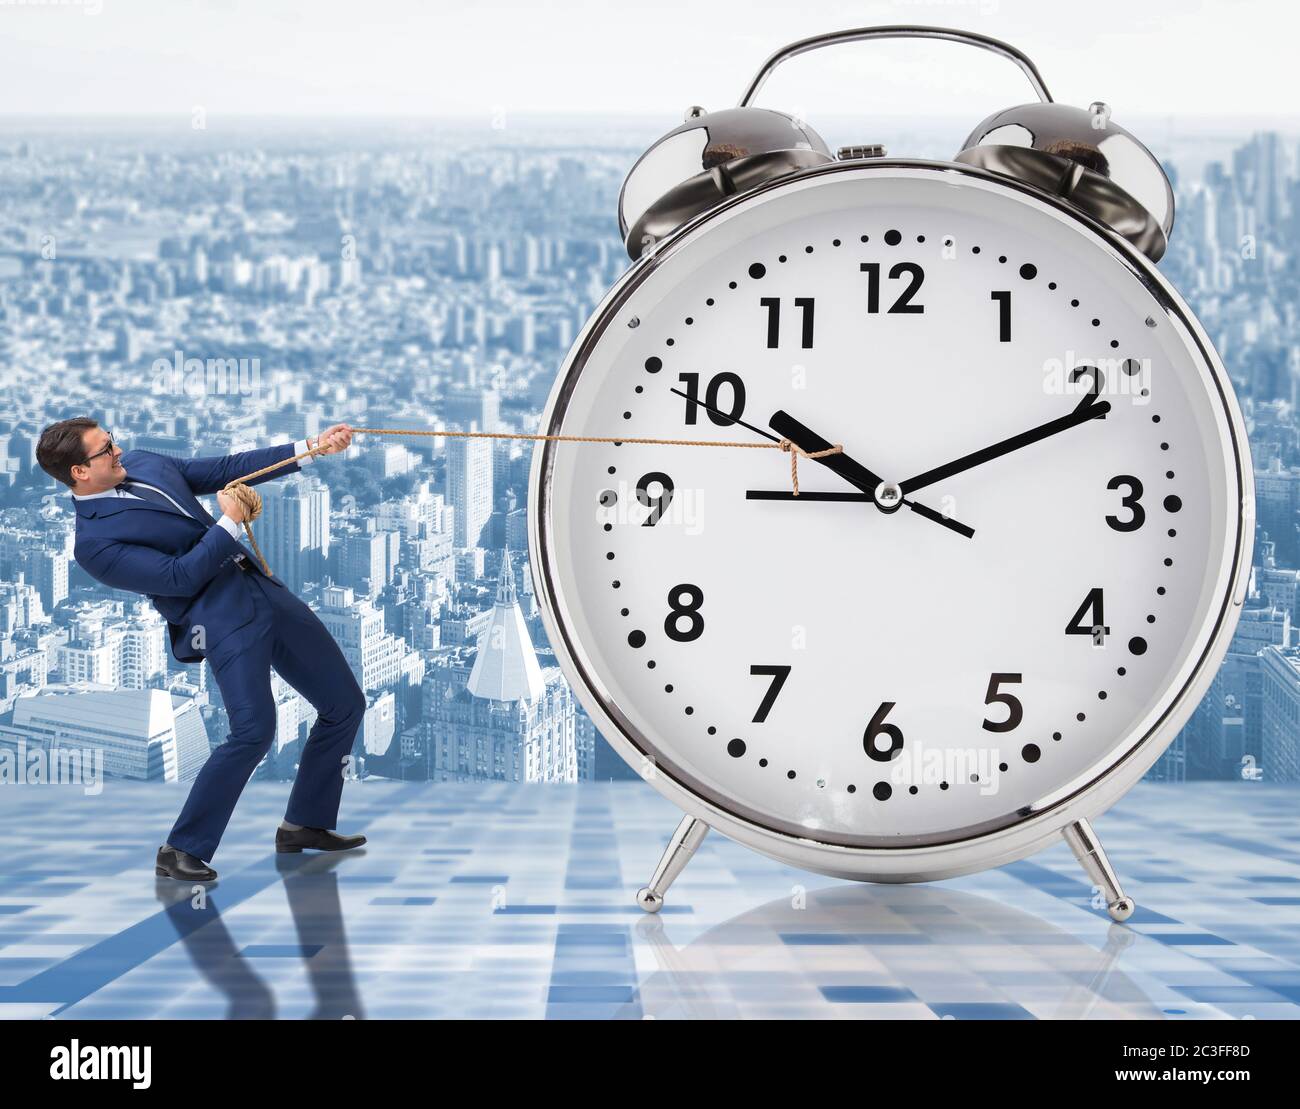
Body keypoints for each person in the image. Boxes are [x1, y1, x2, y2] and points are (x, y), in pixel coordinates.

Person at [36, 418, 369, 881]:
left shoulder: (144, 463)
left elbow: (225, 468)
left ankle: (305, 824)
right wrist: (230, 520)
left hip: (260, 588)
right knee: (254, 730)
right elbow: (179, 577)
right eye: (104, 450)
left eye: (112, 440)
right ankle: (180, 849)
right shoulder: (94, 544)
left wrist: (311, 448)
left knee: (344, 703)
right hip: (219, 619)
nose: (118, 451)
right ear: (79, 473)